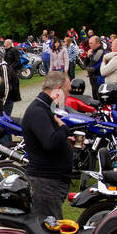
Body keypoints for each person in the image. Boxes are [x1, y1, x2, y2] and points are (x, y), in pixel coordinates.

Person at [21, 72, 73, 222]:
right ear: (58, 89)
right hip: (45, 182)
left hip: (51, 180)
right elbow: (50, 142)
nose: (68, 96)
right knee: (49, 228)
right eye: (67, 91)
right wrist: (64, 129)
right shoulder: (38, 111)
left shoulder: (45, 108)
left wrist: (64, 140)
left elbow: (46, 138)